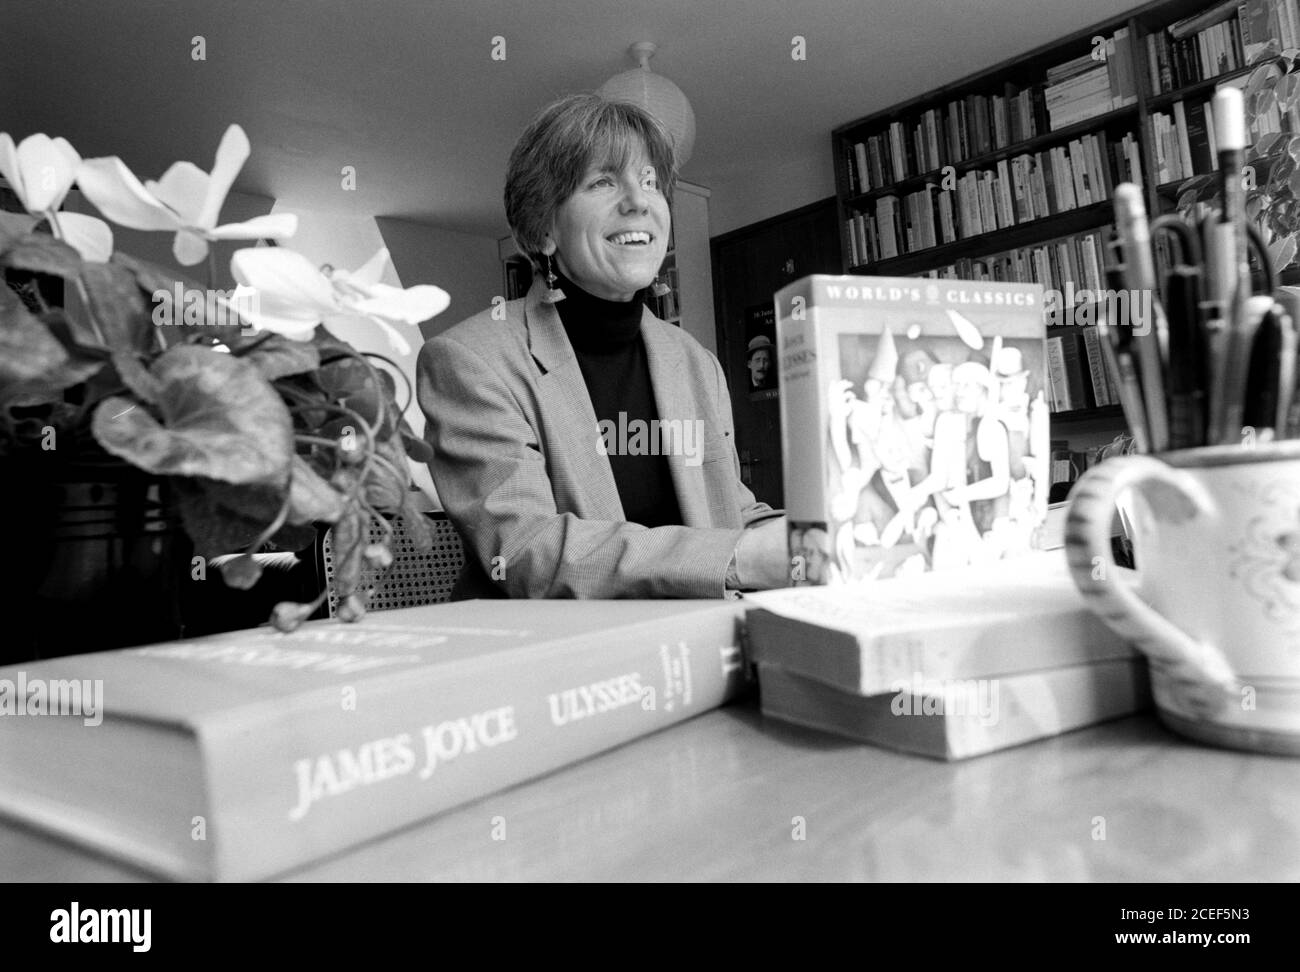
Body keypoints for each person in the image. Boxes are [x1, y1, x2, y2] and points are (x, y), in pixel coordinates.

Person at [417, 94, 787, 598]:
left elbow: (728, 508)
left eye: (651, 181)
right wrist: (737, 560)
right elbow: (527, 551)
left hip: (696, 642)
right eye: (603, 181)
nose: (639, 200)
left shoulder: (696, 362)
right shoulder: (470, 362)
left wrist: (816, 538)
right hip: (557, 660)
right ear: (543, 228)